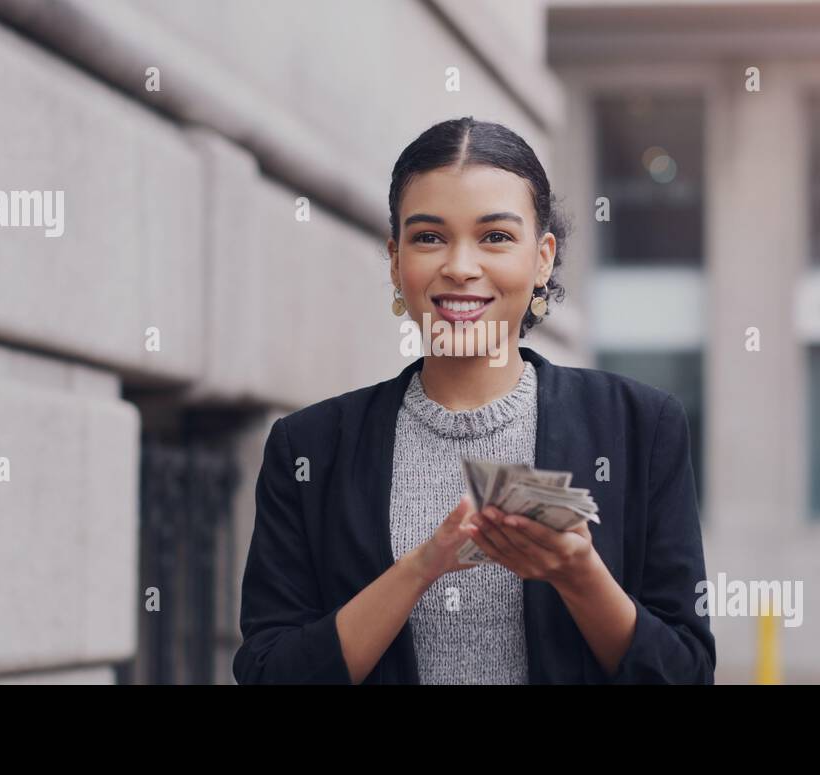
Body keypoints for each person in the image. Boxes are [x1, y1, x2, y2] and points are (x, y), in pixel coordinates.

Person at [233, 116, 714, 684]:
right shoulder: (309, 447)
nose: (460, 267)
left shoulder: (640, 426)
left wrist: (580, 575)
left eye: (496, 237)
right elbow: (269, 673)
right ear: (395, 260)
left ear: (542, 258)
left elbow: (685, 672)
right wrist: (420, 567)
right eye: (429, 237)